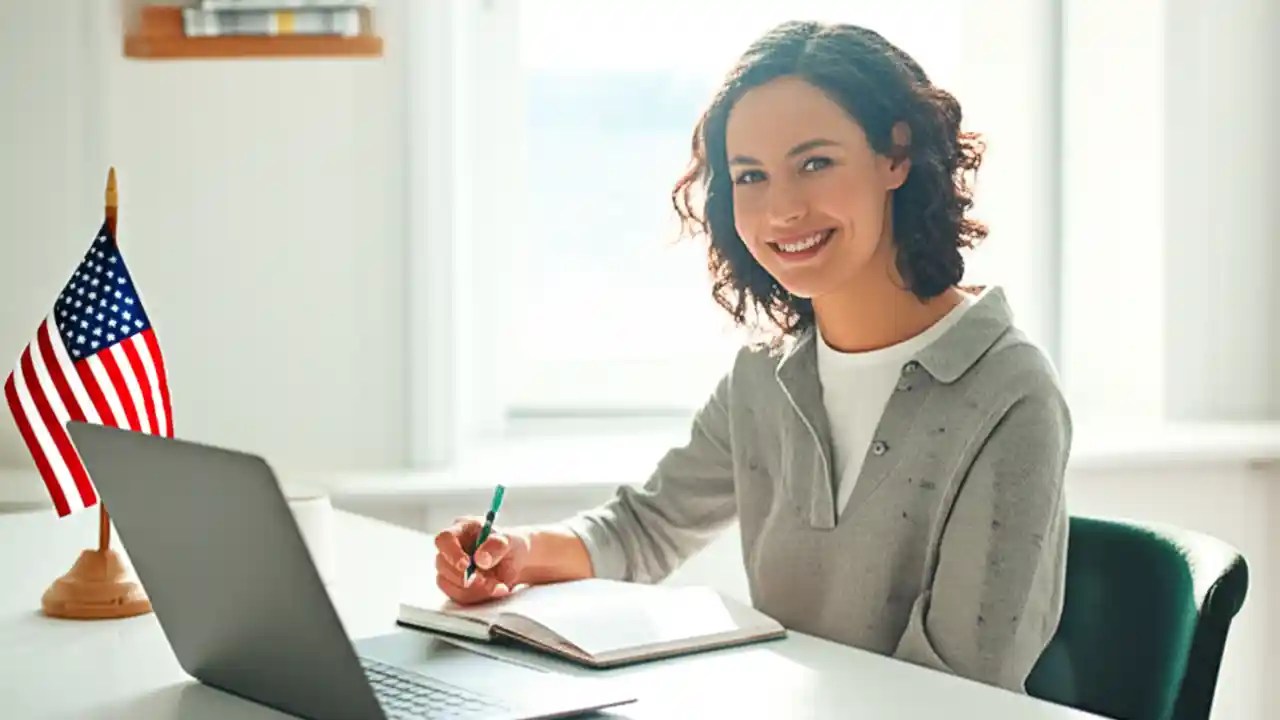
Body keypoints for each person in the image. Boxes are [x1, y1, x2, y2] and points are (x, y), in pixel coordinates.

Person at [433, 20, 1071, 694]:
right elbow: (645, 528)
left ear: (896, 156)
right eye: (751, 176)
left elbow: (959, 683)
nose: (781, 209)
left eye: (814, 163)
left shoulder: (1008, 389)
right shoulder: (766, 377)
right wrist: (518, 555)